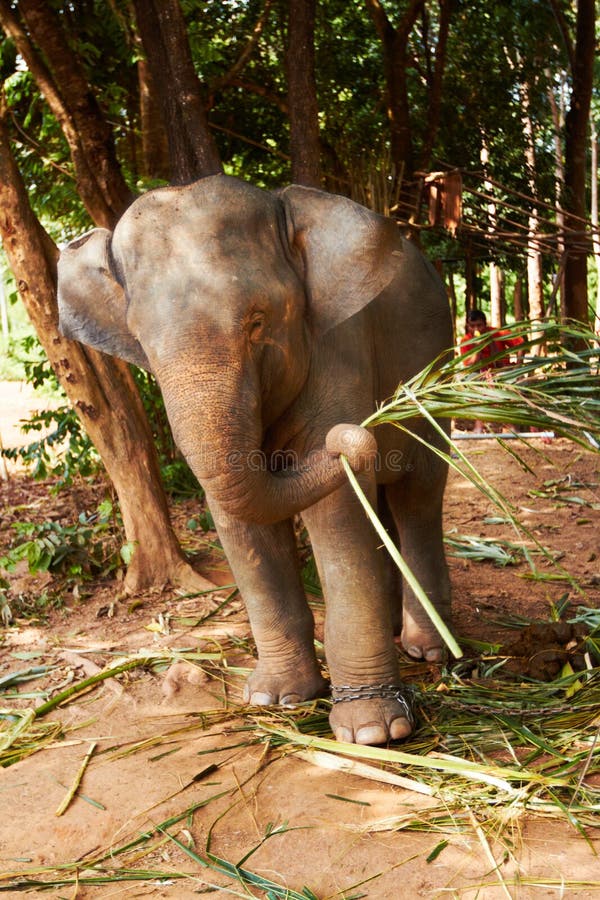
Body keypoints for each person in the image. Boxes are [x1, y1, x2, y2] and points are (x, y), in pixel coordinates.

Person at [459, 309, 524, 433]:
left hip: (501, 371)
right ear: (468, 326)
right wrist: (478, 347)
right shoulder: (466, 341)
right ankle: (479, 426)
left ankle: (511, 427)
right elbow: (469, 365)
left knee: (505, 386)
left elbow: (520, 344)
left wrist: (518, 368)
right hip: (479, 374)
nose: (476, 329)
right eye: (472, 326)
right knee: (478, 387)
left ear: (485, 324)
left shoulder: (497, 333)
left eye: (479, 325)